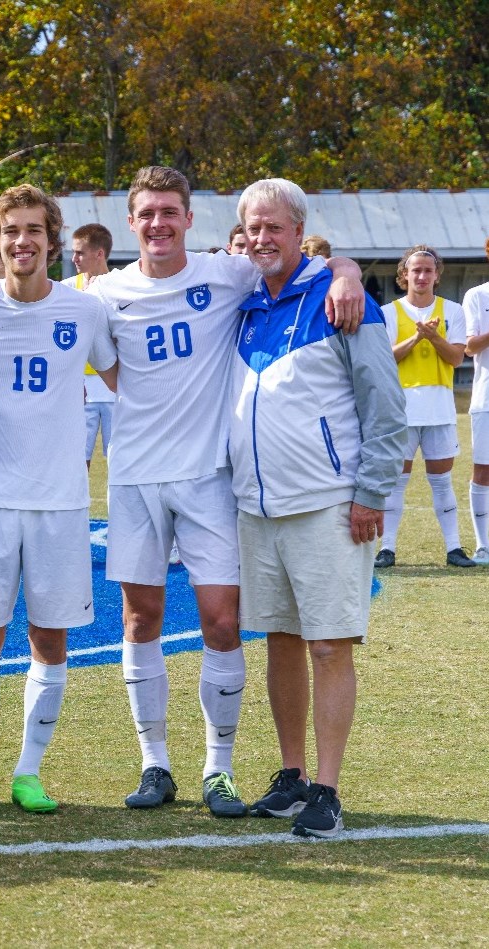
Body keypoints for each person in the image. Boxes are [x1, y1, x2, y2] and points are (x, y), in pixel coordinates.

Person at [0, 165, 366, 818]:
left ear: (188, 218)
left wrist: (345, 269)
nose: (157, 223)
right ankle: (154, 763)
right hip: (133, 477)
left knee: (221, 620)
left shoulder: (224, 275)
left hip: (208, 477)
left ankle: (217, 768)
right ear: (130, 221)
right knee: (140, 618)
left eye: (168, 211)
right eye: (145, 213)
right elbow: (43, 314)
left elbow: (296, 256)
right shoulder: (99, 295)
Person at [229, 178, 404, 838]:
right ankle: (290, 773)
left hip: (328, 505)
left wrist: (369, 493)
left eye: (274, 227)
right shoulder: (242, 298)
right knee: (278, 640)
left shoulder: (340, 298)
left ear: (297, 231)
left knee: (329, 643)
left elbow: (383, 406)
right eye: (253, 228)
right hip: (256, 507)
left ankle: (326, 789)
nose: (262, 239)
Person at [0, 186, 117, 816]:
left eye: (34, 231)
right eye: (10, 231)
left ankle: (28, 771)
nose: (23, 241)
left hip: (62, 503)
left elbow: (125, 378)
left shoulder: (85, 311)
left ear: (52, 240)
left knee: (50, 640)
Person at [376, 245, 473, 568]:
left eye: (427, 270)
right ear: (404, 274)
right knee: (396, 482)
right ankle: (386, 548)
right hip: (400, 408)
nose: (421, 276)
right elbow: (385, 359)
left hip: (440, 408)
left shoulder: (453, 310)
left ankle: (454, 549)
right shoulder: (389, 312)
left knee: (442, 480)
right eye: (415, 270)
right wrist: (418, 339)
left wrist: (433, 337)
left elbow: (457, 357)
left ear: (437, 275)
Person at [70, 223, 116, 465]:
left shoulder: (121, 287)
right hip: (80, 389)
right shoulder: (67, 288)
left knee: (119, 459)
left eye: (80, 252)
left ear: (99, 253)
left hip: (115, 387)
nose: (74, 258)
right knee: (78, 459)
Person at [463, 238, 489, 564]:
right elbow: (469, 346)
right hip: (486, 397)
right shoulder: (477, 295)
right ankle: (484, 547)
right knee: (483, 471)